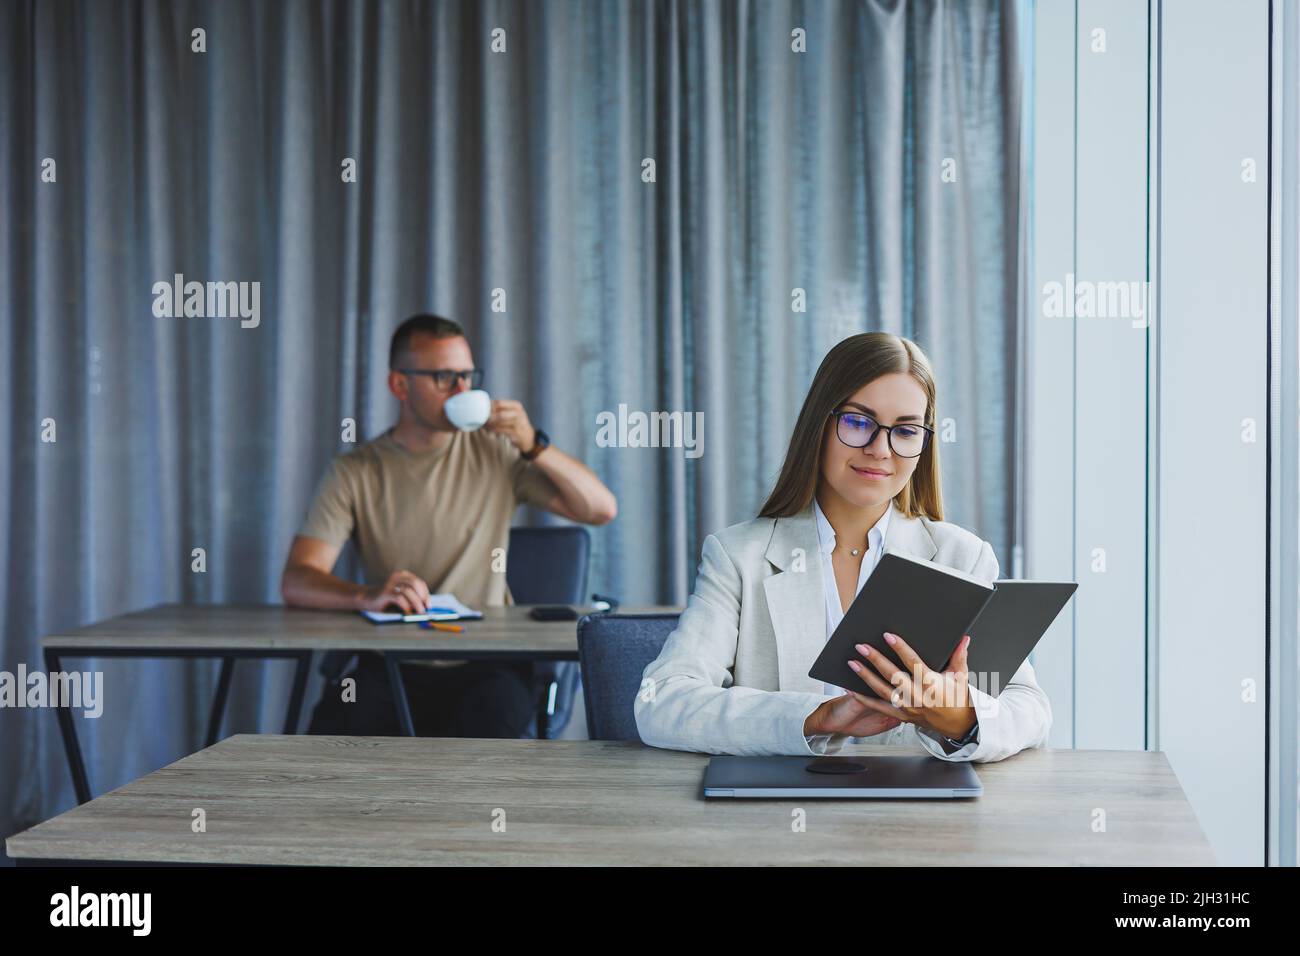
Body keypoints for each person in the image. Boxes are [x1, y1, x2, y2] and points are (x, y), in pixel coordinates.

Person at [635, 331, 1051, 761]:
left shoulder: (963, 557)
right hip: (774, 813)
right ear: (820, 424)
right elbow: (659, 702)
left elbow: (1030, 708)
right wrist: (818, 716)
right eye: (858, 422)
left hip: (919, 819)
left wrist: (960, 718)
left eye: (905, 431)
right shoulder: (738, 556)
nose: (879, 450)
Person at [283, 313, 617, 737]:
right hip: (391, 660)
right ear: (399, 385)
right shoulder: (356, 470)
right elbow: (297, 580)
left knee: (485, 742)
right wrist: (366, 595)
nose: (463, 389)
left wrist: (534, 444)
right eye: (445, 377)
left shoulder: (496, 452)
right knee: (326, 749)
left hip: (487, 660)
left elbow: (600, 509)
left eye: (468, 375)